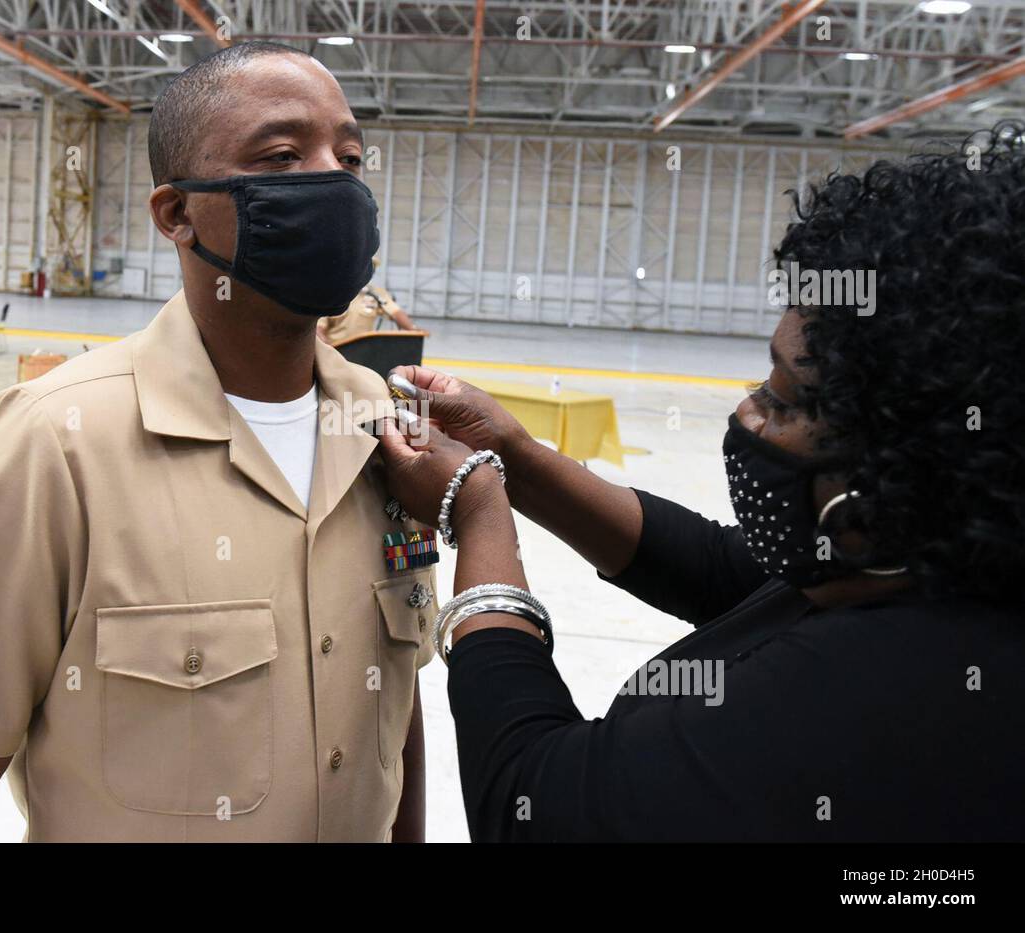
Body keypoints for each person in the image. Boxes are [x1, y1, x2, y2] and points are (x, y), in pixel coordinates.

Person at [0, 41, 439, 843]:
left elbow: (395, 709)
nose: (334, 181)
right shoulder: (56, 443)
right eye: (283, 156)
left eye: (350, 158)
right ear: (177, 212)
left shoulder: (385, 427)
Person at [376, 124, 1025, 842]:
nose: (748, 412)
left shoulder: (894, 691)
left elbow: (532, 802)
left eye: (785, 399)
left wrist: (478, 510)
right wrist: (515, 455)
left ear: (896, 466)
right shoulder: (920, 562)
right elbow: (721, 569)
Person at [317, 258, 425, 345]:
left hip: (364, 351)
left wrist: (413, 330)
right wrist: (326, 349)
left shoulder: (376, 294)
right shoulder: (333, 293)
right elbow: (318, 328)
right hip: (337, 350)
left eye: (370, 269)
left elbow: (396, 312)